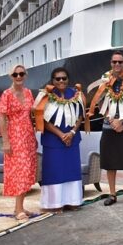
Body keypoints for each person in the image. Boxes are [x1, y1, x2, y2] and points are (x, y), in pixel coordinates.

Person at [88, 51, 123, 206]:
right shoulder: (105, 79)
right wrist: (112, 120)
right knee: (110, 161)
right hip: (109, 126)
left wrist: (122, 119)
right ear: (111, 63)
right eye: (114, 62)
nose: (117, 65)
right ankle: (112, 194)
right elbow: (99, 103)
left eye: (120, 62)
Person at [33, 67, 85, 212]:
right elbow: (43, 119)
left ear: (68, 79)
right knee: (54, 171)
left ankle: (72, 201)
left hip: (72, 140)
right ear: (53, 80)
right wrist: (61, 135)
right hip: (53, 140)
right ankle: (54, 204)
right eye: (58, 79)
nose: (61, 81)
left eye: (64, 78)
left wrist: (72, 132)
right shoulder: (46, 96)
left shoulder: (75, 94)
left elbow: (81, 115)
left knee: (71, 170)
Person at [0, 64, 37, 220]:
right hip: (15, 136)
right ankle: (19, 208)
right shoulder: (6, 94)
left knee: (27, 171)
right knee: (20, 171)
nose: (18, 77)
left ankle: (18, 207)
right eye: (15, 74)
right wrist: (5, 141)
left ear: (25, 75)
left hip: (27, 136)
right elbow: (2, 118)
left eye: (21, 74)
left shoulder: (28, 93)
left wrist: (34, 137)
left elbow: (32, 115)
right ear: (11, 76)